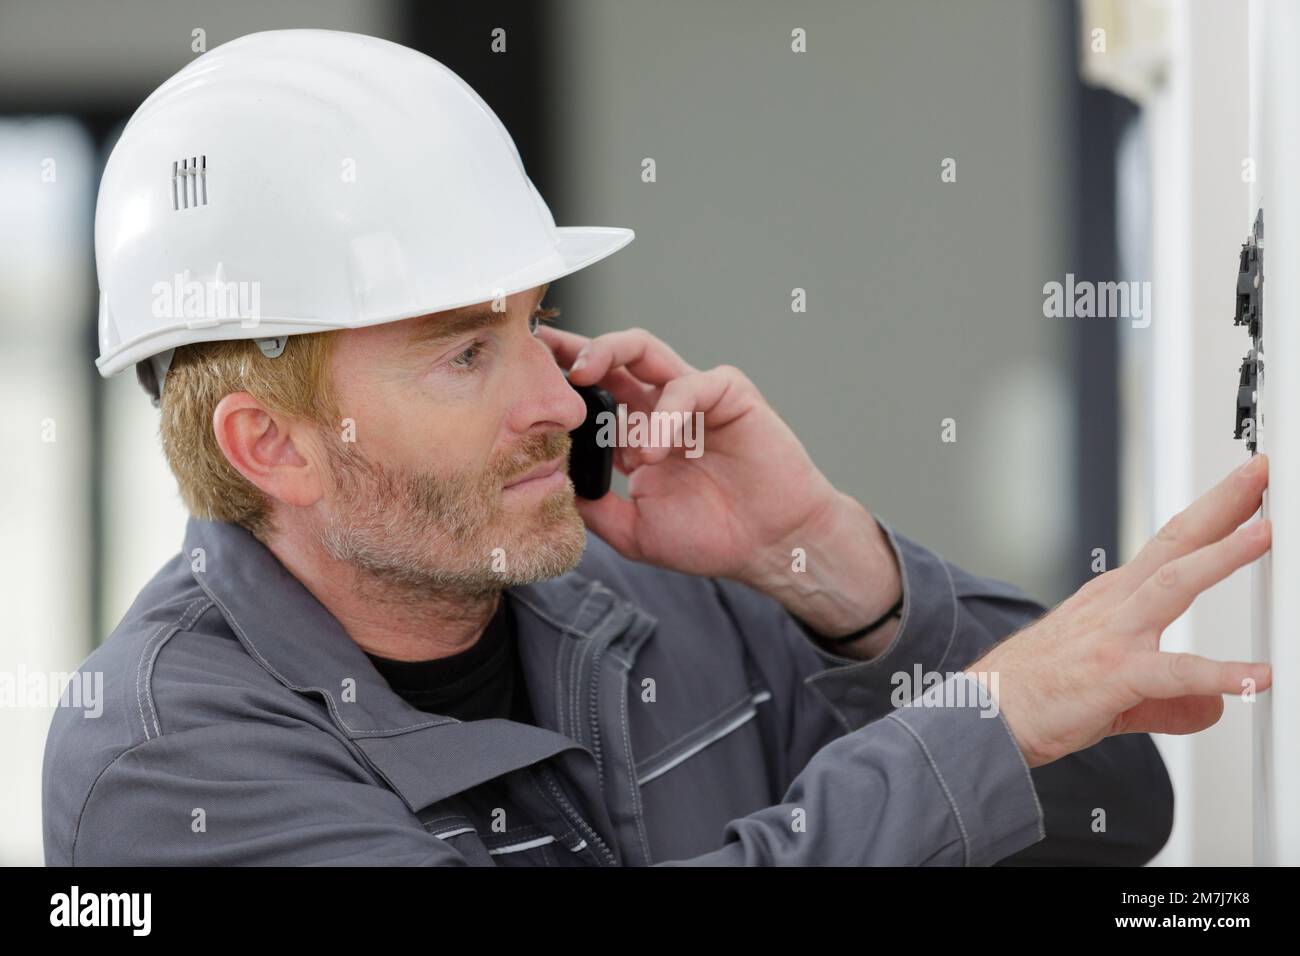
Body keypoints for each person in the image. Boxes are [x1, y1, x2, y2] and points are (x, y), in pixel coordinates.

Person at [42, 30, 1271, 866]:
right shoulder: (162, 761)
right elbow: (984, 752)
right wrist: (980, 723)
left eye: (538, 322)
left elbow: (1107, 811)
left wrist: (826, 563)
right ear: (270, 444)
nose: (564, 401)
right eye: (465, 351)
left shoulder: (651, 598)